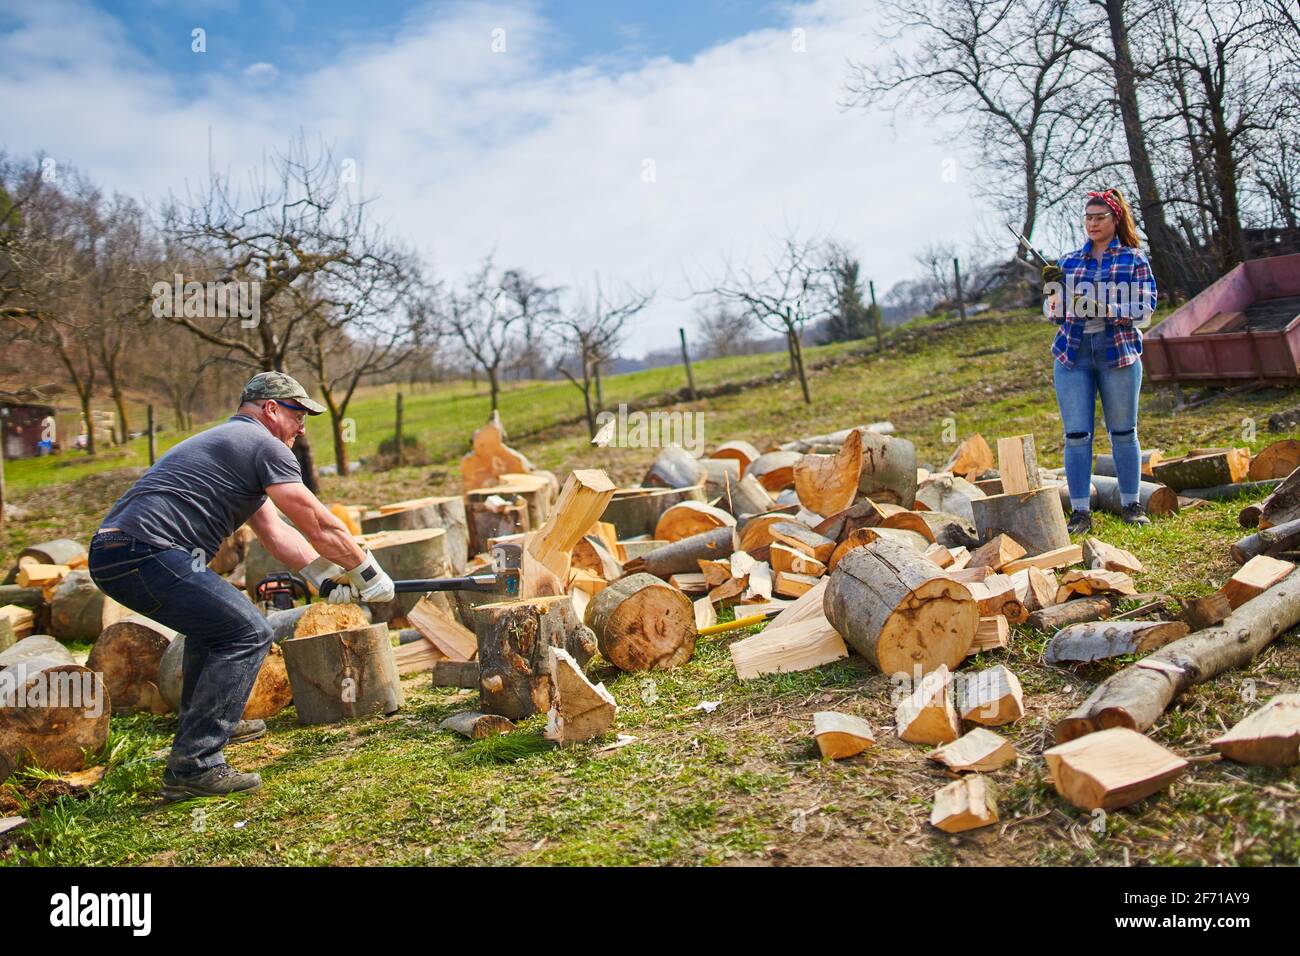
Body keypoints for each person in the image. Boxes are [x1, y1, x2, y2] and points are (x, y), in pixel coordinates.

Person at [88, 372, 396, 801]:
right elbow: (318, 521)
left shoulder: (232, 445)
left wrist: (325, 580)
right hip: (146, 551)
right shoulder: (264, 445)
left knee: (212, 629)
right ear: (271, 410)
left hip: (116, 551)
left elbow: (276, 534)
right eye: (299, 413)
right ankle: (194, 765)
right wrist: (368, 571)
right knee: (248, 632)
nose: (303, 425)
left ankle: (212, 727)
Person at [1042, 188, 1158, 535]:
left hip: (1118, 355)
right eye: (1088, 218)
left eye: (1099, 217)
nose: (1092, 223)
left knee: (1124, 432)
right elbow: (1053, 315)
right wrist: (1055, 301)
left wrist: (1109, 310)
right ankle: (1080, 512)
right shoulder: (1068, 262)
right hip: (1072, 356)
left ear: (1115, 219)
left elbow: (1145, 310)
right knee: (1076, 435)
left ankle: (1131, 504)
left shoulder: (1133, 260)